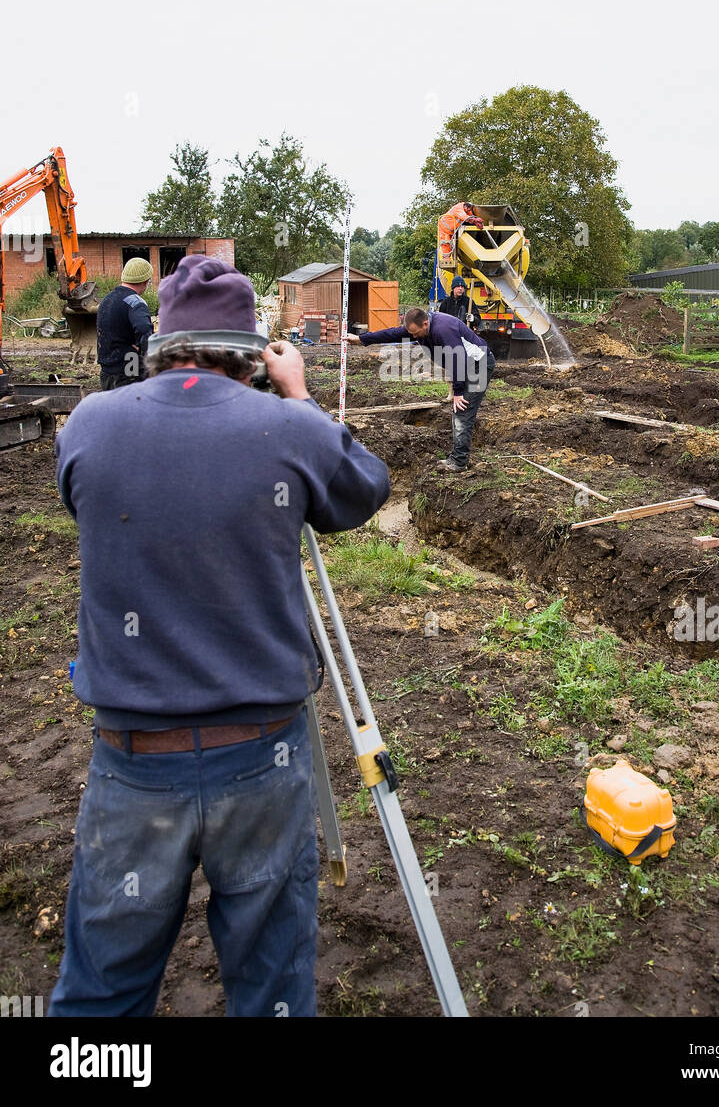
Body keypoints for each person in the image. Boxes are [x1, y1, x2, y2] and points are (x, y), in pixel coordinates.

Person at [48, 254, 390, 1018]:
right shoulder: (285, 426)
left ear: (162, 340)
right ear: (251, 354)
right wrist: (301, 400)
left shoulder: (92, 424)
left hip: (133, 765)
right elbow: (365, 488)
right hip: (262, 761)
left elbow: (81, 498)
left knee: (102, 992)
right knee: (269, 987)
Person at [348, 306, 495, 472]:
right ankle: (458, 455)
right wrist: (362, 339)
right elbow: (392, 333)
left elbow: (457, 359)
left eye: (416, 333)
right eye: (411, 333)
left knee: (462, 410)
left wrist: (458, 392)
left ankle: (459, 462)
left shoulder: (443, 329)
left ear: (425, 323)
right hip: (465, 364)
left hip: (479, 365)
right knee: (459, 410)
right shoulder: (418, 328)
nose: (414, 337)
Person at [96, 258, 154, 389]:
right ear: (145, 281)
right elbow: (145, 333)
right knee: (132, 408)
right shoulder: (135, 302)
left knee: (113, 408)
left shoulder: (107, 299)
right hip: (129, 370)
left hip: (107, 371)